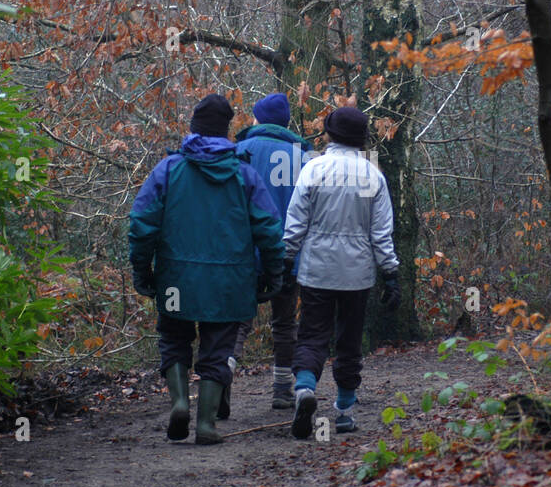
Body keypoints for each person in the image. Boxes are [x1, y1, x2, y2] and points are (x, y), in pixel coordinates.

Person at [128, 94, 284, 445]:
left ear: (193, 127)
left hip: (175, 279)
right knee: (219, 347)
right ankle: (206, 424)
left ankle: (180, 401)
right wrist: (273, 274)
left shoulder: (168, 170)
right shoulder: (245, 175)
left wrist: (143, 270)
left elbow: (141, 223)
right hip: (230, 281)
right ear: (226, 130)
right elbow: (269, 230)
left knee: (174, 337)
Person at [282, 106, 399, 438]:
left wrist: (286, 259)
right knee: (349, 340)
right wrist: (390, 272)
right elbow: (381, 233)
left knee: (312, 334)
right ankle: (345, 410)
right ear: (361, 138)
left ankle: (305, 388)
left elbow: (296, 222)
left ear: (330, 133)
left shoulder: (313, 170)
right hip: (357, 273)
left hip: (317, 268)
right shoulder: (372, 175)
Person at [229, 93, 313, 412]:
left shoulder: (238, 152)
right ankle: (281, 389)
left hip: (244, 253)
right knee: (284, 321)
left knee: (238, 320)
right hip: (288, 253)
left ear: (258, 119)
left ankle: (224, 373)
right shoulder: (303, 157)